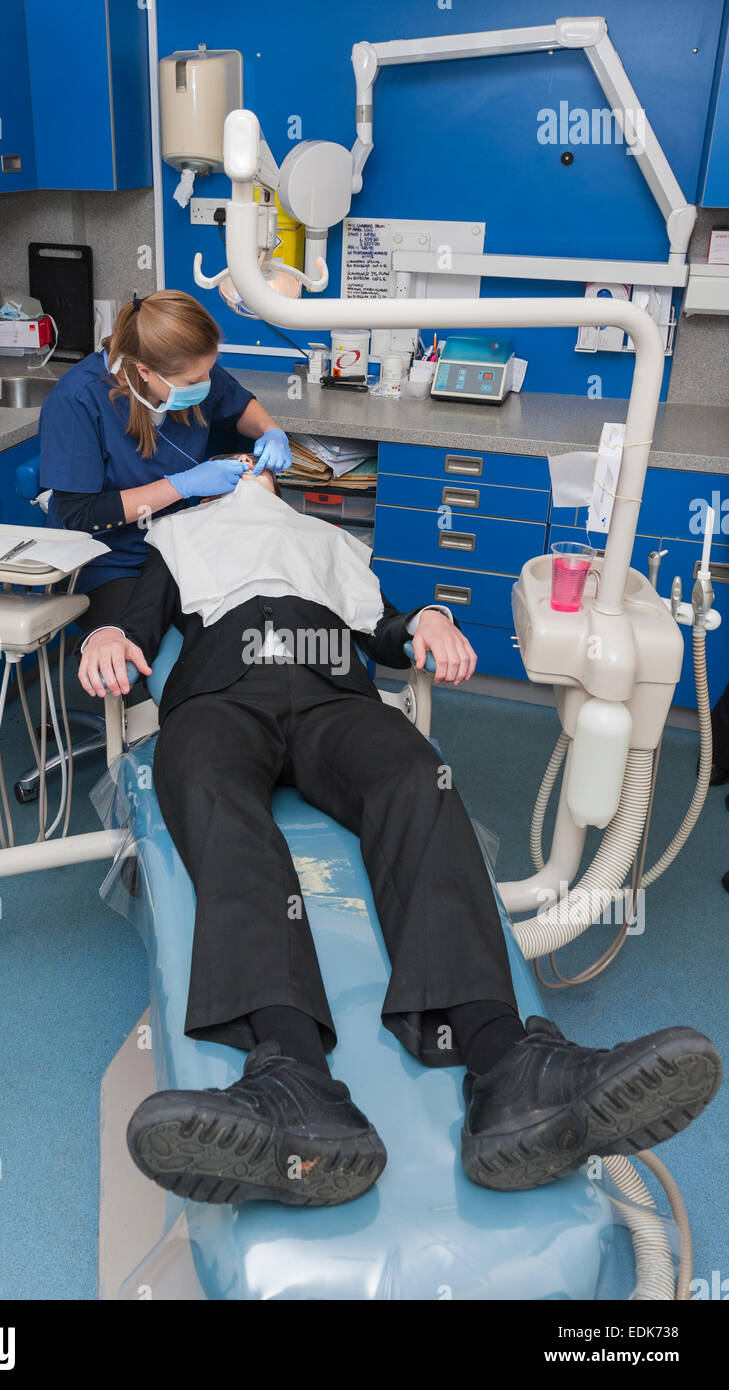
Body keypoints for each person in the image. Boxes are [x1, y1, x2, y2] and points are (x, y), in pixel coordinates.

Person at [78, 469, 722, 1208]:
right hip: (222, 700)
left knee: (421, 781)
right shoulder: (182, 537)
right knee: (215, 804)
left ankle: (509, 1065)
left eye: (265, 470)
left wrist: (426, 619)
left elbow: (381, 630)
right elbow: (135, 616)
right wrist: (106, 634)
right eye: (240, 470)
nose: (252, 481)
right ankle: (292, 1081)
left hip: (334, 701)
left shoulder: (331, 546)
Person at [38, 289, 292, 634]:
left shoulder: (190, 369)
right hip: (111, 562)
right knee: (141, 645)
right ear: (144, 370)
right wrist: (182, 485)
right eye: (193, 381)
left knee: (242, 628)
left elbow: (236, 403)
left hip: (184, 546)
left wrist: (271, 431)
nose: (207, 383)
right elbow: (81, 514)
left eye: (209, 371)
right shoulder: (78, 400)